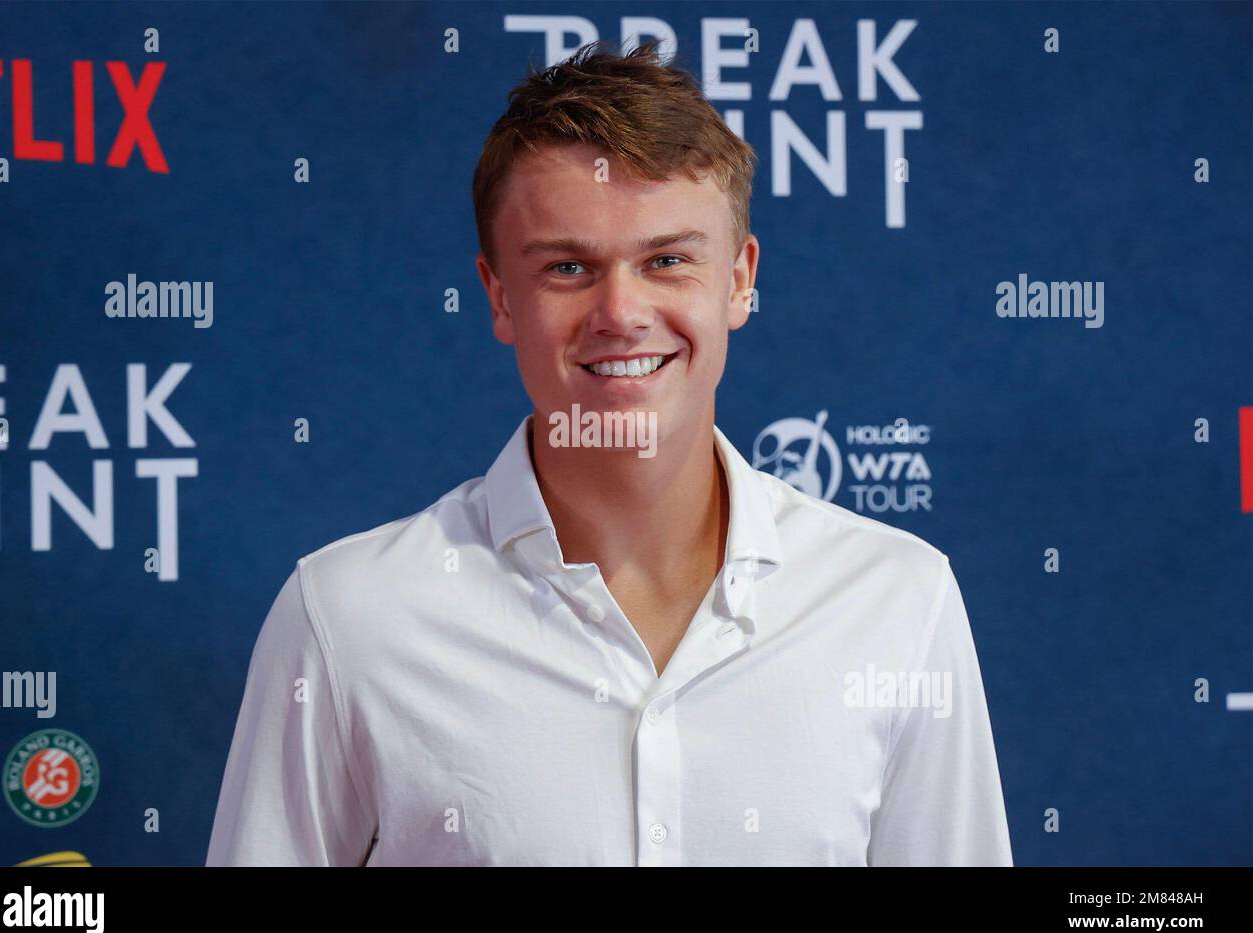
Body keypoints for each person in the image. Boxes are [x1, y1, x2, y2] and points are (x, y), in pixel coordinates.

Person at [206, 38, 1012, 866]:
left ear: (739, 280)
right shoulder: (347, 620)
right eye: (567, 267)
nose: (621, 311)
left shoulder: (896, 602)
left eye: (667, 260)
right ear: (498, 298)